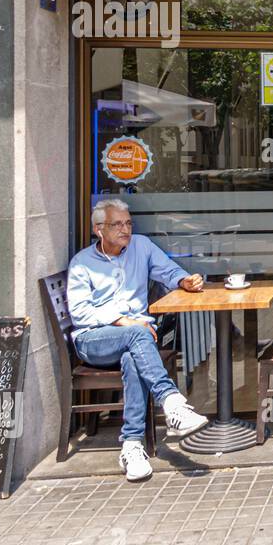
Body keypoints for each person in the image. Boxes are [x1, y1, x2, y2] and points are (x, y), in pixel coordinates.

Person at [66, 197, 209, 481]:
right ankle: (171, 402)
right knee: (137, 332)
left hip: (135, 339)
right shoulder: (82, 263)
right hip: (93, 340)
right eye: (117, 224)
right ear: (99, 229)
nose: (125, 229)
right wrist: (123, 321)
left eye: (128, 223)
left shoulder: (141, 246)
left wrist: (184, 281)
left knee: (134, 357)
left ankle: (131, 446)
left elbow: (167, 270)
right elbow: (80, 313)